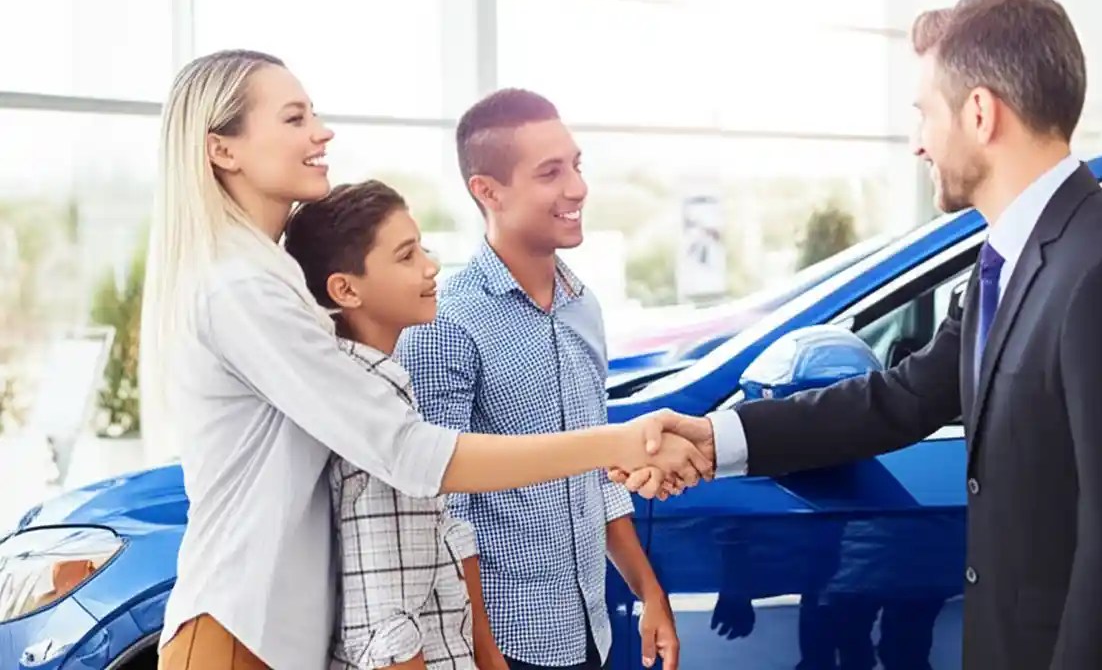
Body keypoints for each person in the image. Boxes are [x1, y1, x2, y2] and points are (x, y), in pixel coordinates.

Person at [620, 0, 1102, 670]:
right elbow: (901, 399)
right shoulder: (1011, 258)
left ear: (978, 113)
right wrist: (714, 437)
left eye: (923, 113)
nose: (917, 143)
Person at [139, 50, 710, 670]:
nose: (320, 132)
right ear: (223, 150)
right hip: (239, 631)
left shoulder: (268, 276)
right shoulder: (240, 288)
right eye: (295, 118)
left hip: (270, 632)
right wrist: (615, 444)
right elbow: (409, 456)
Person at [397, 89, 679, 670]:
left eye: (576, 166)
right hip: (507, 641)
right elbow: (441, 508)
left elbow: (598, 471)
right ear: (488, 190)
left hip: (586, 630)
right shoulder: (443, 323)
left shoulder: (583, 306)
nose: (577, 188)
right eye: (551, 172)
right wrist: (482, 651)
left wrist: (647, 591)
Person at [282, 179, 497, 670]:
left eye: (422, 246)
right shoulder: (372, 400)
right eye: (406, 256)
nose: (431, 265)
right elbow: (385, 623)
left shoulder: (364, 383)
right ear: (345, 288)